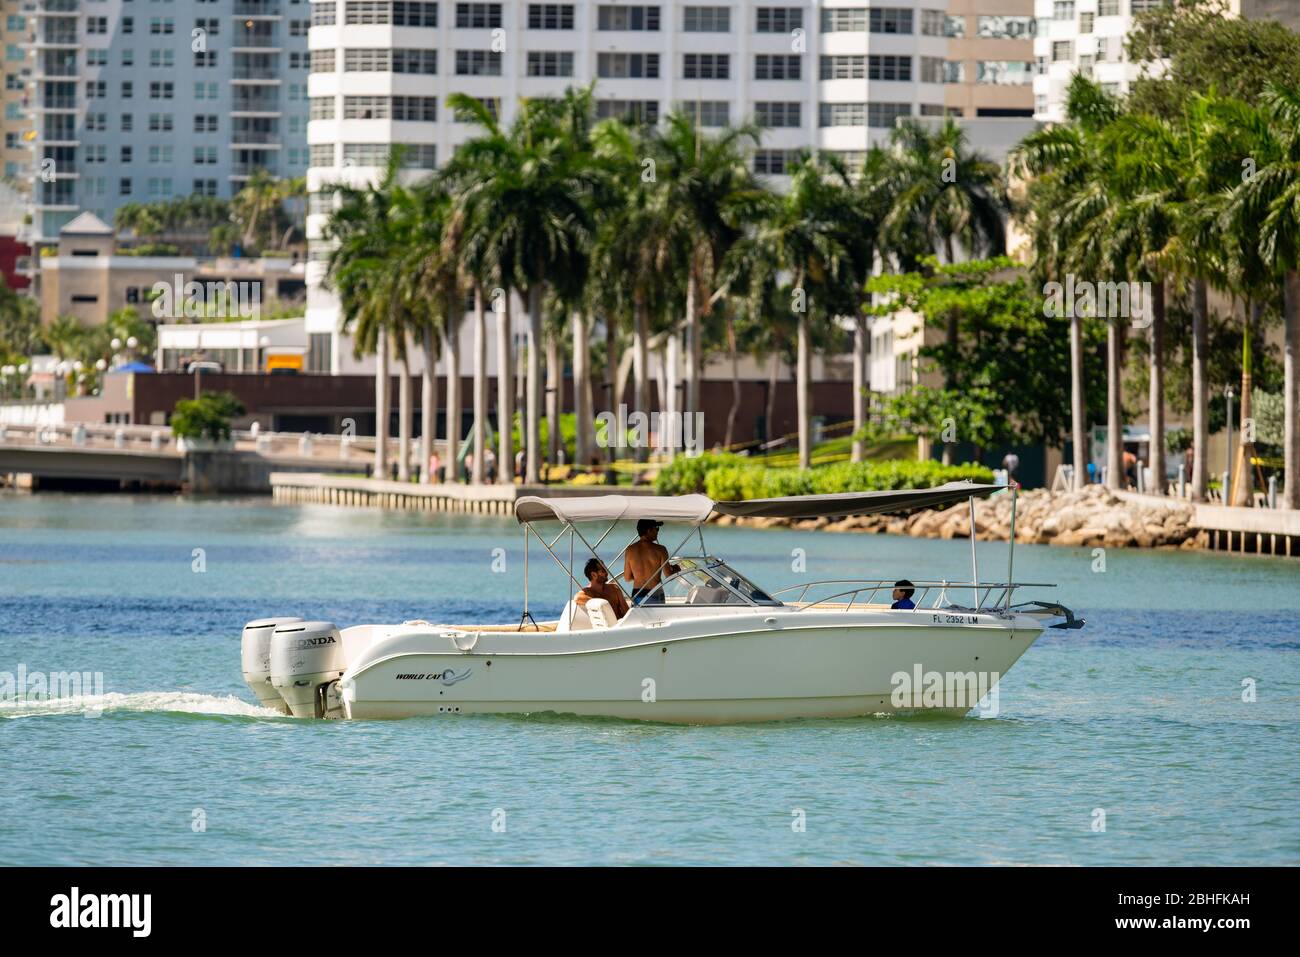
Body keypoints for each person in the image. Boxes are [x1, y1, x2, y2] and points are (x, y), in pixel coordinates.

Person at [624, 519, 679, 605]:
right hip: (655, 593)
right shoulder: (661, 550)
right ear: (649, 530)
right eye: (656, 528)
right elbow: (668, 576)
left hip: (638, 594)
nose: (657, 531)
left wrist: (640, 576)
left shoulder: (630, 550)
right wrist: (676, 569)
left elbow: (627, 578)